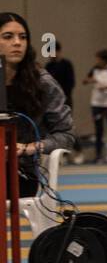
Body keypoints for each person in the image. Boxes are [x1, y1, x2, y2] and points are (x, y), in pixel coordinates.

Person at [1, 12, 76, 196]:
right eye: (8, 37)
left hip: (21, 172)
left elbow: (66, 134)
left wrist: (30, 148)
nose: (17, 42)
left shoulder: (43, 83)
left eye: (23, 37)